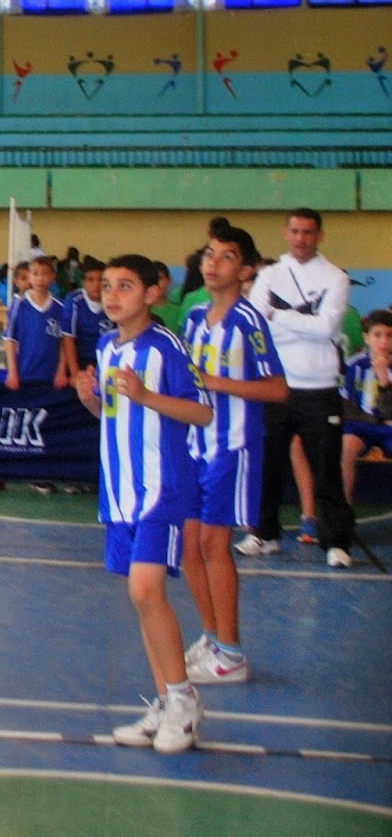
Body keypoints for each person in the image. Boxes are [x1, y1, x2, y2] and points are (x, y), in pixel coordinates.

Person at [73, 254, 212, 755]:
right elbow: (109, 413)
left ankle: (183, 700)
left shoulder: (167, 347)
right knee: (141, 598)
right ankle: (164, 699)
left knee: (146, 588)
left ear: (152, 294)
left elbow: (201, 411)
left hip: (161, 489)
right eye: (107, 286)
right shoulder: (107, 346)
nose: (112, 295)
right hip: (120, 492)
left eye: (125, 286)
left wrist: (149, 396)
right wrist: (90, 397)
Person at [179, 225, 288, 686]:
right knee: (188, 547)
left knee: (213, 545)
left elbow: (278, 389)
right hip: (194, 445)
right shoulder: (194, 318)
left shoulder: (249, 321)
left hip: (232, 444)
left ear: (244, 271)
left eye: (226, 257)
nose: (213, 262)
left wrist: (217, 382)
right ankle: (212, 635)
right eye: (209, 253)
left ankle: (232, 652)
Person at [241, 208, 355, 567]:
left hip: (319, 387)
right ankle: (264, 533)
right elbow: (255, 322)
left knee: (326, 468)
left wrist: (280, 315)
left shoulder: (335, 278)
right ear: (286, 233)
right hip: (275, 384)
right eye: (295, 231)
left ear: (319, 235)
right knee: (268, 462)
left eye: (308, 232)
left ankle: (336, 542)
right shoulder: (270, 275)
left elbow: (326, 328)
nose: (301, 238)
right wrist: (298, 320)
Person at [341, 309, 392, 506]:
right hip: (362, 424)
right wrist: (374, 420)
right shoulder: (355, 365)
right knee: (346, 448)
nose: (383, 341)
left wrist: (384, 380)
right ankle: (344, 515)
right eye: (377, 335)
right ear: (366, 337)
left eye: (389, 336)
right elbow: (346, 404)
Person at [3, 255, 66, 392]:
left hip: (51, 376)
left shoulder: (60, 307)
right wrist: (12, 373)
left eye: (45, 274)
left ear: (52, 277)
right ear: (29, 277)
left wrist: (61, 371)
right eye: (35, 273)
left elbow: (64, 344)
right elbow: (10, 340)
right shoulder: (18, 304)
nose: (40, 278)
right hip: (24, 373)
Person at [60, 258, 113, 381]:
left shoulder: (113, 301)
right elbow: (68, 338)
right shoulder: (74, 300)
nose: (96, 285)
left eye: (101, 280)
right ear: (83, 282)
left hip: (105, 364)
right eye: (91, 280)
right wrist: (75, 373)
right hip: (79, 362)